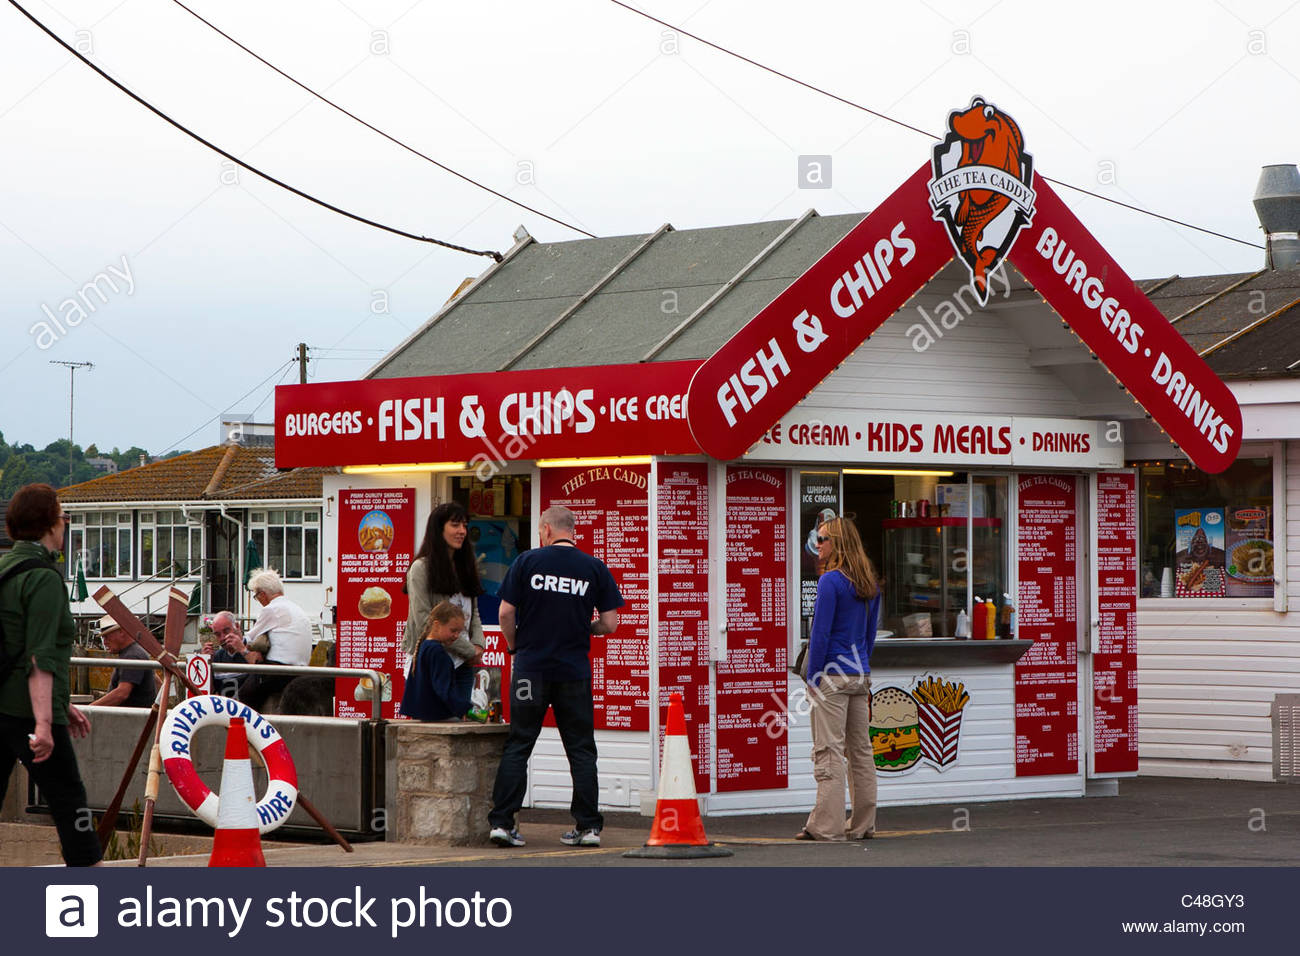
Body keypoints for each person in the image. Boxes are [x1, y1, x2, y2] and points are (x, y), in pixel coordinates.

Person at [488, 505, 621, 849]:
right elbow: (609, 624)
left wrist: (515, 646)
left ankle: (503, 824)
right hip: (572, 673)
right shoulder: (593, 567)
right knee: (580, 749)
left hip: (530, 670)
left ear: (546, 529)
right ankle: (588, 827)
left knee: (519, 743)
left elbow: (505, 612)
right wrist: (582, 628)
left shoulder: (527, 562)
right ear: (571, 531)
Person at [0, 484, 102, 866]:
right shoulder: (44, 578)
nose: (65, 522)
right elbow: (40, 657)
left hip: (3, 706)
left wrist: (63, 702)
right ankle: (92, 886)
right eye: (61, 515)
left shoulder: (5, 567)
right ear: (47, 524)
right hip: (27, 711)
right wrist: (45, 723)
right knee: (68, 800)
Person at [796, 515, 881, 842]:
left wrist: (813, 677)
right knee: (861, 751)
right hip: (859, 674)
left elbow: (820, 634)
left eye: (823, 539)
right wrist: (862, 666)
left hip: (831, 674)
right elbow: (871, 634)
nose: (818, 545)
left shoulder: (830, 581)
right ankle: (862, 824)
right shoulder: (868, 581)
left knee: (829, 751)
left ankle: (826, 827)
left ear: (838, 544)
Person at [403, 502, 486, 668]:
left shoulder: (466, 566)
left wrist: (478, 644)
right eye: (455, 525)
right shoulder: (421, 568)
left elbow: (473, 612)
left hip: (464, 664)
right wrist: (469, 650)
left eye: (464, 525)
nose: (462, 531)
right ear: (438, 530)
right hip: (432, 660)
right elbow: (424, 622)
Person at [237, 568, 313, 711]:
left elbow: (248, 639)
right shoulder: (296, 608)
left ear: (263, 594)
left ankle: (249, 729)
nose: (258, 600)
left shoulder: (271, 609)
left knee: (244, 694)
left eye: (256, 596)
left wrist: (237, 636)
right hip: (301, 669)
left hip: (278, 671)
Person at [401, 601, 477, 722]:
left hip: (423, 715)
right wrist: (467, 710)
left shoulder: (424, 646)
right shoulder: (437, 652)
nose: (457, 636)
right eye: (453, 630)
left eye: (460, 632)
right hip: (440, 716)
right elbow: (443, 689)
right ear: (436, 625)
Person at [95, 616, 158, 707]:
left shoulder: (132, 656)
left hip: (131, 719)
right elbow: (157, 680)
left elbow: (121, 694)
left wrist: (88, 710)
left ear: (121, 632)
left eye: (107, 637)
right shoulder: (136, 652)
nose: (105, 642)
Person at [201, 610, 249, 698]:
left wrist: (243, 650)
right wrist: (205, 665)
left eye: (226, 631)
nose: (223, 637)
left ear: (237, 627)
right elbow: (207, 692)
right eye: (218, 634)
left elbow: (261, 678)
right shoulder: (217, 656)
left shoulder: (253, 648)